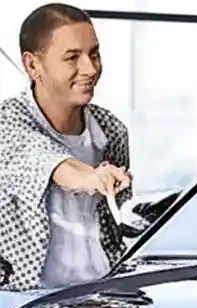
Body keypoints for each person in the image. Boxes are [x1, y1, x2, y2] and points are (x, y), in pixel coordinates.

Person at [0, 3, 132, 291]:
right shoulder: (6, 124)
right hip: (27, 302)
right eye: (73, 57)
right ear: (33, 65)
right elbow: (46, 160)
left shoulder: (112, 130)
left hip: (104, 295)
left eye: (94, 54)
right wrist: (92, 177)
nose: (90, 68)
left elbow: (113, 226)